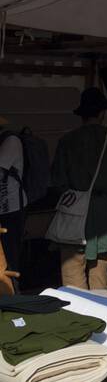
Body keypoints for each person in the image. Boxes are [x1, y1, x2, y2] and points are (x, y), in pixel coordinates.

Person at [50, 89, 107, 290]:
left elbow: (57, 181)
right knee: (99, 275)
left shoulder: (66, 141)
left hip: (73, 212)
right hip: (102, 216)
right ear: (102, 113)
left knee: (72, 275)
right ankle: (100, 318)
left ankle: (78, 317)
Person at [0, 118, 26, 281]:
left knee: (9, 259)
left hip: (11, 209)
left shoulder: (11, 141)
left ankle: (13, 294)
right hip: (6, 208)